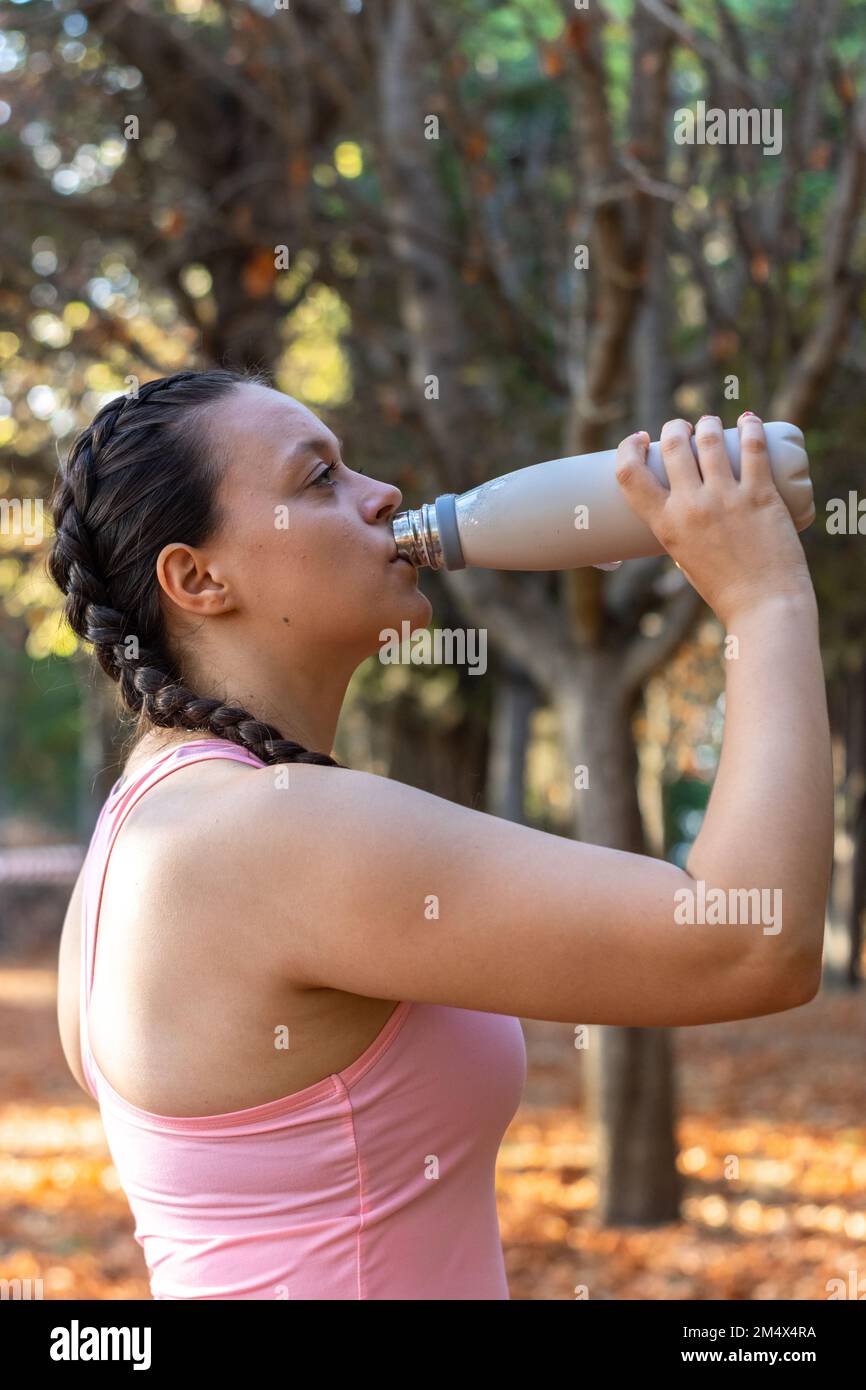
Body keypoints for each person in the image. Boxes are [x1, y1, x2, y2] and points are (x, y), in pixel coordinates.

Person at [51, 369, 833, 1299]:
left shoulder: (150, 829)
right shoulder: (265, 831)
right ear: (199, 578)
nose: (380, 495)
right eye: (319, 481)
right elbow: (752, 944)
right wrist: (765, 601)